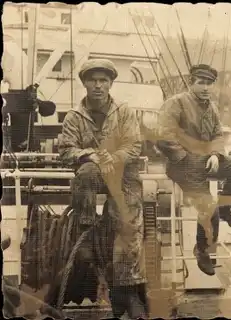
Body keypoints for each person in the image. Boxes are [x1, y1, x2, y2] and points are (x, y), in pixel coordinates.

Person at [58, 59, 148, 318]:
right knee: (85, 172)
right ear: (85, 83)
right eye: (93, 80)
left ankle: (126, 293)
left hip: (123, 177)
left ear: (110, 84)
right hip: (94, 175)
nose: (98, 85)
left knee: (128, 223)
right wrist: (89, 155)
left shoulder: (124, 112)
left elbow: (133, 146)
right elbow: (66, 151)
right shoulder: (75, 117)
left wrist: (114, 157)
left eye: (103, 81)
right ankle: (86, 230)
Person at [154, 64, 231, 276]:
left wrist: (216, 155)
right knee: (208, 208)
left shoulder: (211, 107)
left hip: (206, 160)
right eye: (201, 83)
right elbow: (163, 135)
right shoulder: (175, 103)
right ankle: (203, 251)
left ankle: (226, 207)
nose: (206, 88)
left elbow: (217, 134)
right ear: (191, 83)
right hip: (182, 164)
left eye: (209, 83)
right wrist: (186, 157)